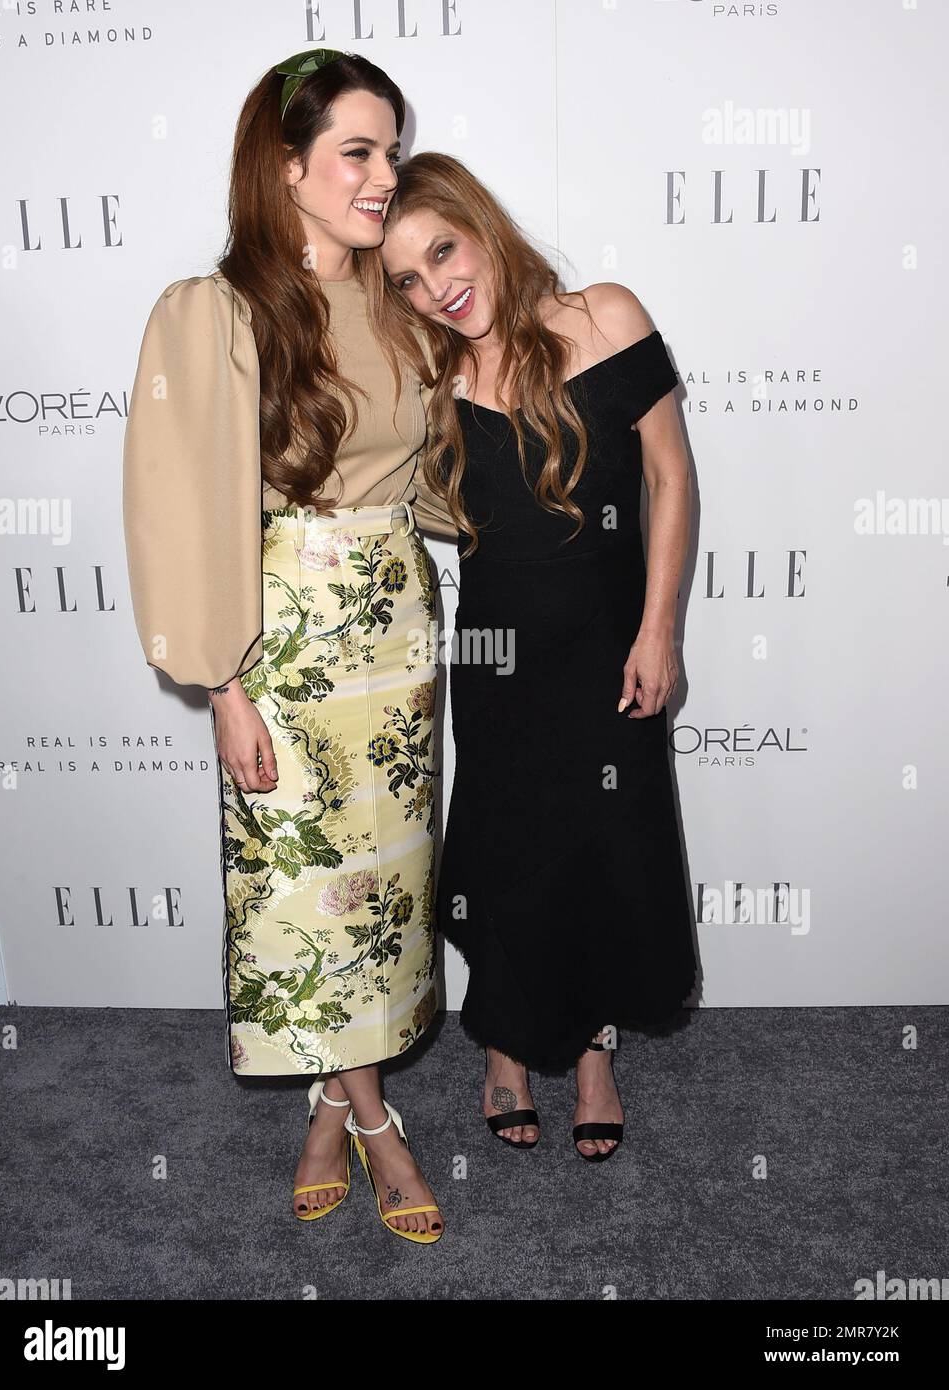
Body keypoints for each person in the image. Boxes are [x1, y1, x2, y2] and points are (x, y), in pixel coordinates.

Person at [122, 51, 459, 1242]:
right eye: (357, 152)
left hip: (398, 635)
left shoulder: (398, 301)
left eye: (390, 150)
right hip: (285, 643)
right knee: (303, 892)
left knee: (381, 892)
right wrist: (222, 684)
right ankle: (374, 1125)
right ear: (285, 167)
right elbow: (183, 503)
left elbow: (430, 477)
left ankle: (328, 1101)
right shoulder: (215, 313)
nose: (384, 177)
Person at [379, 152, 699, 1162]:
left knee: (606, 845)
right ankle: (506, 1047)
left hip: (609, 648)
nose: (438, 287)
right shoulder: (433, 381)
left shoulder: (604, 315)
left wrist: (659, 631)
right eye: (408, 280)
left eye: (443, 250)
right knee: (509, 847)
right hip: (496, 656)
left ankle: (594, 1053)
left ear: (480, 225)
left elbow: (672, 477)